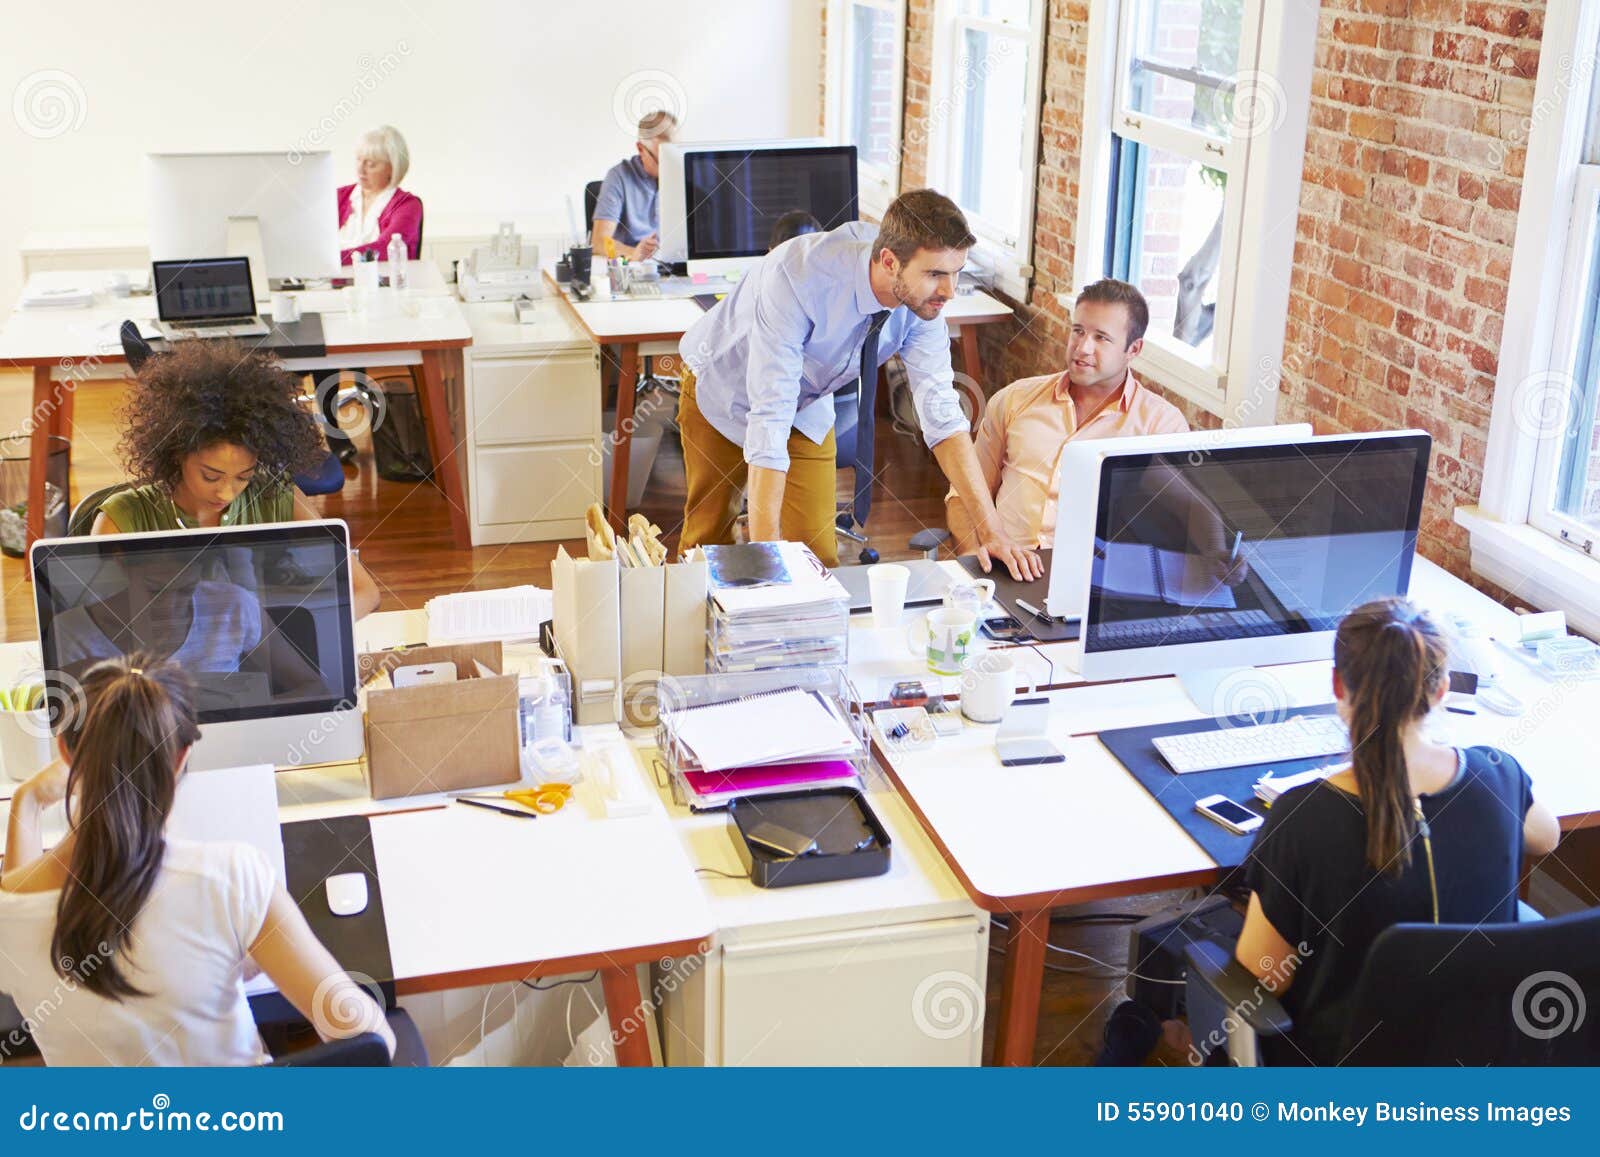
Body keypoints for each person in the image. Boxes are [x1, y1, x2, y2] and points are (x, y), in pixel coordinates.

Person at [0, 656, 395, 1065]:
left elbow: (22, 899)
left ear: (64, 752)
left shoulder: (7, 916)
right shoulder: (232, 879)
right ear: (180, 758)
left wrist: (26, 803)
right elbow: (371, 1040)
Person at [1225, 598, 1560, 1065]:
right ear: (1442, 690)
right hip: (1484, 1065)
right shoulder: (1496, 775)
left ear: (1339, 685)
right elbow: (1547, 837)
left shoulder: (1301, 817)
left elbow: (1266, 975)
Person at [677, 188, 1040, 577]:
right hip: (721, 387)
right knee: (707, 547)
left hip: (806, 404)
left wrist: (993, 533)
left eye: (956, 273)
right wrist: (767, 563)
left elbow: (943, 417)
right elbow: (769, 419)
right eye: (936, 274)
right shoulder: (799, 278)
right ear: (889, 261)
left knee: (816, 560)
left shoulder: (922, 306)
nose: (949, 292)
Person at [92, 340, 382, 619]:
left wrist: (318, 632)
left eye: (244, 476)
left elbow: (365, 592)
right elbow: (93, 621)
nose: (227, 492)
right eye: (210, 476)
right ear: (177, 453)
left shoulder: (274, 494)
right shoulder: (122, 519)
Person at [946, 279, 1189, 553]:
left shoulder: (1161, 426)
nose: (1082, 348)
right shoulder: (1014, 399)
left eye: (1101, 338)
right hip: (1003, 566)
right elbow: (964, 496)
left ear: (1133, 349)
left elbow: (1185, 516)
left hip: (1091, 579)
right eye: (1078, 331)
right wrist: (972, 563)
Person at [592, 110, 677, 261]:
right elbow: (599, 242)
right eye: (662, 160)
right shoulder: (618, 177)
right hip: (633, 268)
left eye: (673, 157)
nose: (669, 167)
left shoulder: (682, 173)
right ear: (640, 149)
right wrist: (634, 253)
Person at [337, 125, 422, 265]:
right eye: (359, 160)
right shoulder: (339, 197)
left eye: (371, 164)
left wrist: (334, 260)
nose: (361, 169)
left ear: (392, 167)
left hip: (383, 284)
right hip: (332, 283)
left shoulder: (407, 205)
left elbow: (386, 250)